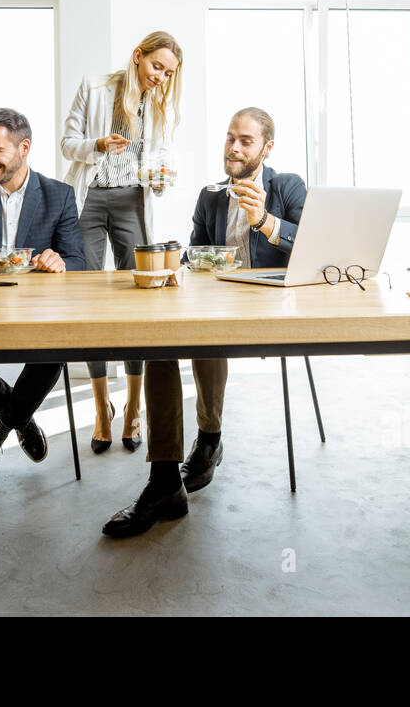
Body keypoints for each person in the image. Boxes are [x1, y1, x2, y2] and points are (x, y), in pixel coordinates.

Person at [102, 107, 307, 537]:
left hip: (274, 304)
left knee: (207, 333)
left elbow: (311, 247)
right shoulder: (210, 195)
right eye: (230, 138)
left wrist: (265, 222)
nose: (233, 147)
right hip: (220, 301)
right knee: (158, 341)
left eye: (245, 141)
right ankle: (163, 480)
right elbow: (198, 256)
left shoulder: (286, 187)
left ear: (267, 148)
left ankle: (209, 438)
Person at [0, 107, 87, 480]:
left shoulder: (59, 195)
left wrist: (60, 261)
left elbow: (79, 261)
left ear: (24, 147)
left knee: (55, 349)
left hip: (37, 308)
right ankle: (20, 419)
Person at [61, 30, 184, 453]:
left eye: (168, 73)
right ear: (138, 57)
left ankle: (133, 406)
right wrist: (97, 144)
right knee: (88, 300)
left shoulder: (161, 104)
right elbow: (67, 144)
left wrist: (163, 177)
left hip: (134, 200)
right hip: (90, 200)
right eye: (156, 67)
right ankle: (101, 408)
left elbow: (161, 157)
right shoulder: (94, 88)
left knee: (139, 300)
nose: (161, 78)